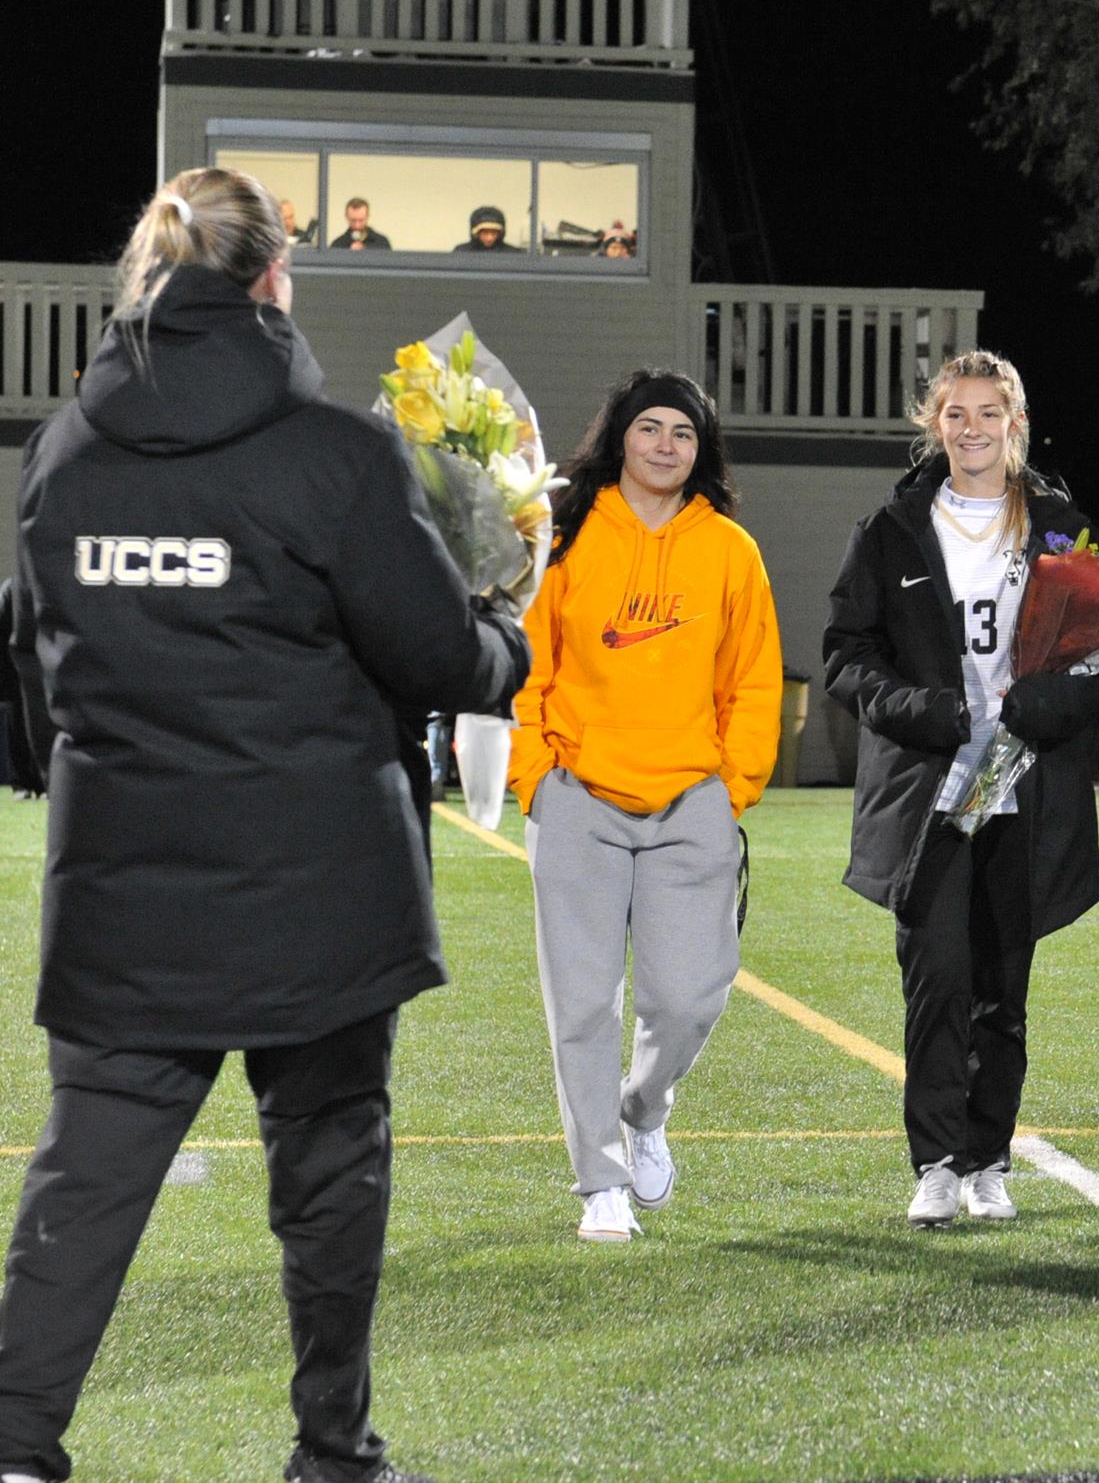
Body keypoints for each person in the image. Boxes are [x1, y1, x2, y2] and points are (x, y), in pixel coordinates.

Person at [0, 167, 528, 1483]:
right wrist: (506, 631)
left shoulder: (63, 448)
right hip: (317, 880)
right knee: (330, 1177)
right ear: (275, 276)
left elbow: (35, 664)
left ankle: (12, 1439)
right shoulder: (336, 455)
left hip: (126, 878)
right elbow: (437, 657)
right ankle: (333, 1449)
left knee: (87, 1179)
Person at [825, 350, 1099, 1227]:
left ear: (1016, 424)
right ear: (935, 425)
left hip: (1022, 781)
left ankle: (989, 1156)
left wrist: (1050, 699)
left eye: (989, 413)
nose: (972, 429)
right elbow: (846, 653)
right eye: (956, 414)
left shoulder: (1064, 527)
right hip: (932, 784)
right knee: (936, 979)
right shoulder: (890, 529)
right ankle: (934, 1161)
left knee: (1003, 981)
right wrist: (921, 707)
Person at [508, 369, 781, 1243]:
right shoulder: (566, 534)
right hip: (579, 796)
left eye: (684, 434)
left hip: (690, 802)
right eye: (650, 428)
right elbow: (526, 665)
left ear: (703, 452)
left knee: (690, 994)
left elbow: (753, 679)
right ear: (619, 436)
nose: (665, 445)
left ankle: (644, 1107)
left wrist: (731, 784)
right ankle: (601, 1177)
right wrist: (535, 778)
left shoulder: (730, 550)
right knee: (582, 1004)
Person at [453, 205, 520, 253]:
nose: (489, 238)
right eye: (485, 233)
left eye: (494, 233)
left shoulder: (512, 253)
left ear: (500, 234)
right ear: (476, 233)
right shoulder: (462, 252)